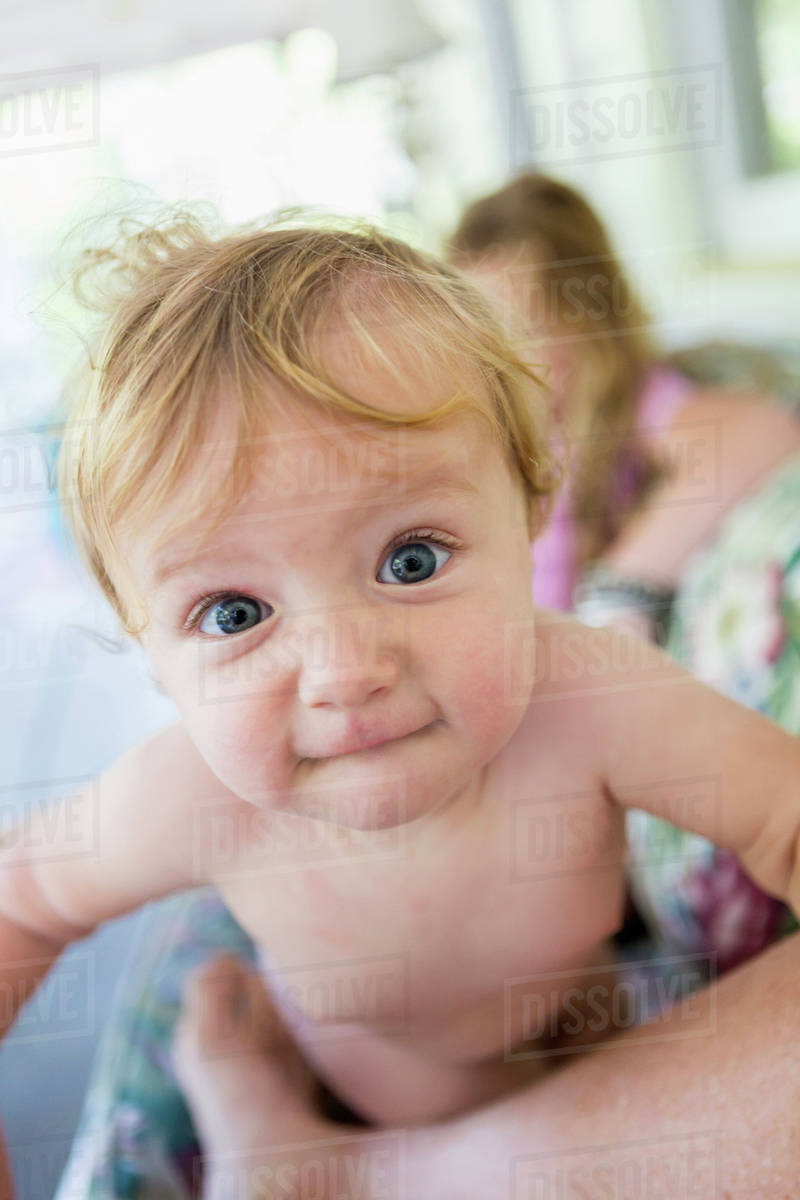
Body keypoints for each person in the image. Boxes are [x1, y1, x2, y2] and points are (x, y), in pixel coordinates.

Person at [2, 216, 800, 1199]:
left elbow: (783, 813)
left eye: (410, 560)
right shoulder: (187, 800)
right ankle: (252, 1110)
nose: (343, 670)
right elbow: (18, 900)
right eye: (235, 613)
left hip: (591, 1009)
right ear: (150, 653)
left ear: (530, 505)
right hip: (390, 1085)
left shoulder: (592, 695)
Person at [448, 172, 800, 976]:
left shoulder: (638, 402)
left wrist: (623, 588)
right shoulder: (498, 433)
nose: (513, 358)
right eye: (485, 332)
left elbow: (761, 432)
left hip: (585, 761)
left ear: (588, 316)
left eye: (531, 326)